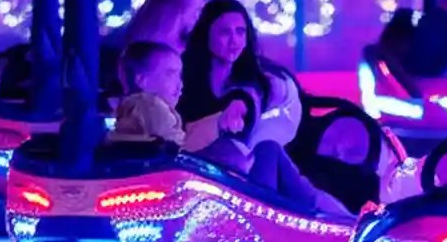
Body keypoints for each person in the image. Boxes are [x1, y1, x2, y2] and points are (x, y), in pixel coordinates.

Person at [111, 40, 350, 215]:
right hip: (229, 202)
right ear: (142, 80)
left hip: (214, 194)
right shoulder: (149, 105)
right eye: (170, 73)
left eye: (180, 74)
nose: (179, 83)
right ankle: (334, 219)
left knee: (267, 150)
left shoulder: (130, 112)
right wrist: (226, 153)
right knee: (269, 150)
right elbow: (178, 156)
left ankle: (325, 212)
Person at [178, 0, 302, 151]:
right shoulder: (182, 76)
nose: (234, 41)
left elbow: (258, 98)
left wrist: (242, 104)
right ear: (206, 34)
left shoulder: (263, 78)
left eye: (240, 32)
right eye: (225, 32)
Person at [122, 0, 204, 54]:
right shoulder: (138, 48)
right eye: (195, 9)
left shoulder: (193, 43)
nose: (197, 15)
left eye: (198, 9)